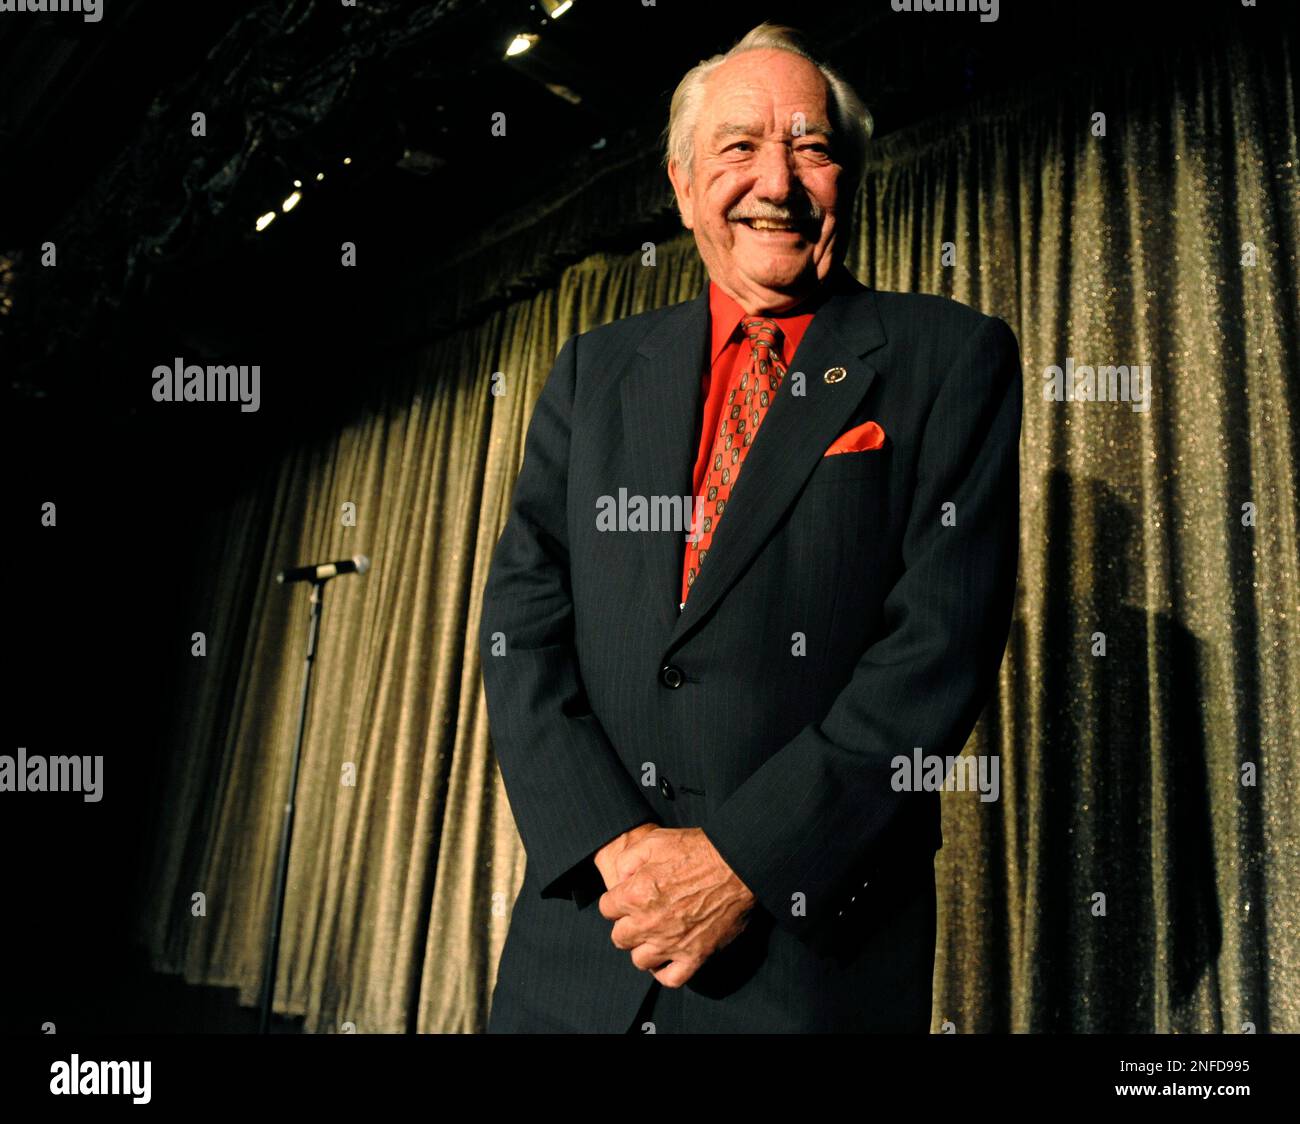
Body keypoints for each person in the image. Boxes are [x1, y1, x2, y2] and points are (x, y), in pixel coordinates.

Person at [480, 21, 1021, 1033]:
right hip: (589, 938)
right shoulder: (593, 372)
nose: (776, 179)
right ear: (682, 185)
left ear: (849, 177)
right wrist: (616, 849)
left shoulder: (951, 357)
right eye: (738, 146)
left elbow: (937, 646)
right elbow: (521, 622)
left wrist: (736, 865)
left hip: (807, 957)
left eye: (809, 145)